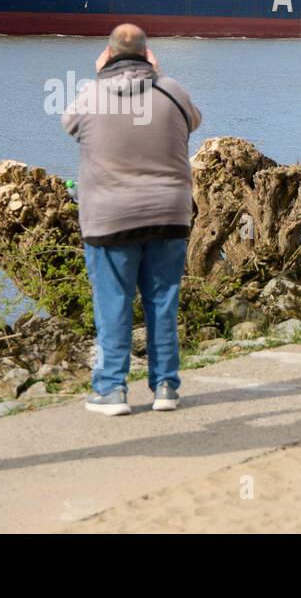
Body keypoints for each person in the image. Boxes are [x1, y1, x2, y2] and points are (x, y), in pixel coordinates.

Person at [62, 23, 202, 416]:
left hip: (109, 219)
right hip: (168, 215)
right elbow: (193, 121)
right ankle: (166, 387)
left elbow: (70, 124)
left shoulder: (92, 94)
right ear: (147, 54)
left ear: (107, 55)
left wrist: (100, 77)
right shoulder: (171, 90)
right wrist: (158, 75)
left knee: (113, 304)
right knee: (163, 302)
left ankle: (111, 390)